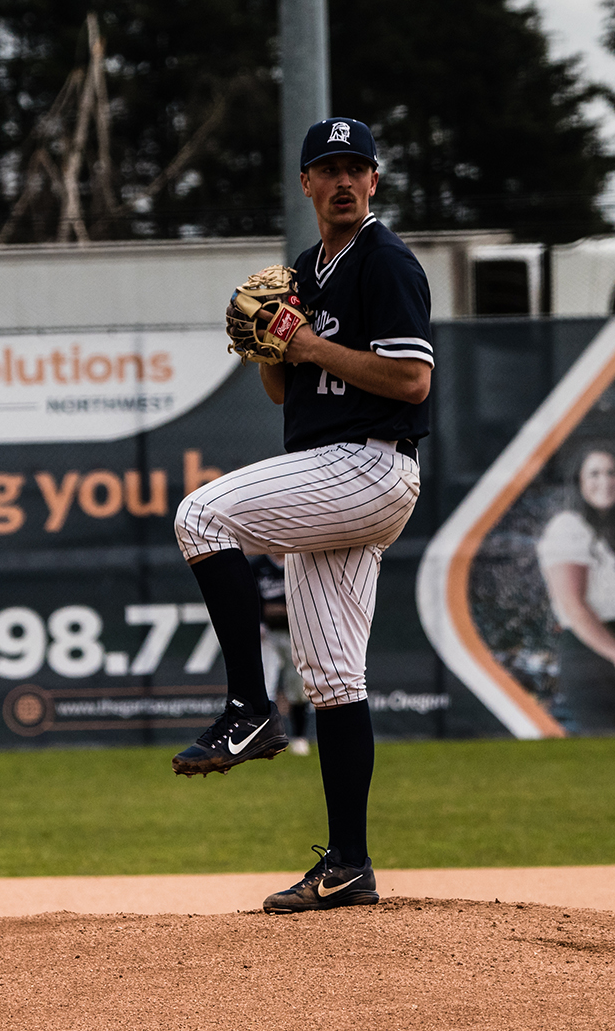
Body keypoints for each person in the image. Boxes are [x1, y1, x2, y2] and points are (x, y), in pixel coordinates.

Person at [172, 116, 430, 914]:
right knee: (334, 679)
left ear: (374, 181)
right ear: (307, 184)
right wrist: (269, 349)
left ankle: (249, 709)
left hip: (368, 463)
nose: (344, 180)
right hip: (331, 476)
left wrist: (311, 346)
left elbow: (412, 382)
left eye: (357, 167)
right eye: (330, 168)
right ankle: (349, 866)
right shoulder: (306, 273)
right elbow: (286, 389)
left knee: (200, 516)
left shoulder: (385, 261)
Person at [535, 446, 615, 734]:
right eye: (595, 473)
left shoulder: (613, 533)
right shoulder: (568, 527)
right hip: (592, 658)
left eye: (612, 473)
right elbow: (574, 606)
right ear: (578, 482)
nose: (605, 481)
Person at [251, 554, 312, 756]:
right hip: (268, 634)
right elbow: (250, 596)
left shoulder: (300, 562)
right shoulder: (259, 566)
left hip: (296, 634)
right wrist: (258, 621)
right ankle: (263, 738)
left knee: (298, 688)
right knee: (264, 686)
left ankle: (300, 737)